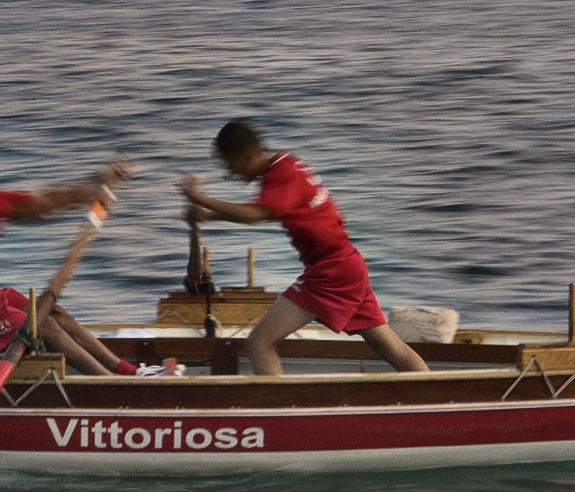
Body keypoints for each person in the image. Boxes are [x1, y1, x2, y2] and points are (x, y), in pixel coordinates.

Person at [179, 120, 429, 377]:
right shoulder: (285, 165)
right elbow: (266, 213)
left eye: (230, 166)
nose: (231, 175)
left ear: (246, 155)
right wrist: (209, 217)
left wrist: (199, 198)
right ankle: (433, 392)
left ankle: (280, 414)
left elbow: (256, 214)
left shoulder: (281, 173)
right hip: (347, 265)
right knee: (385, 343)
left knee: (260, 343)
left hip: (330, 272)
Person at [0, 143, 168, 376]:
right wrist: (80, 196)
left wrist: (94, 185)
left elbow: (35, 202)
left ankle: (130, 372)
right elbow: (25, 212)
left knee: (55, 313)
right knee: (42, 326)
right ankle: (112, 384)